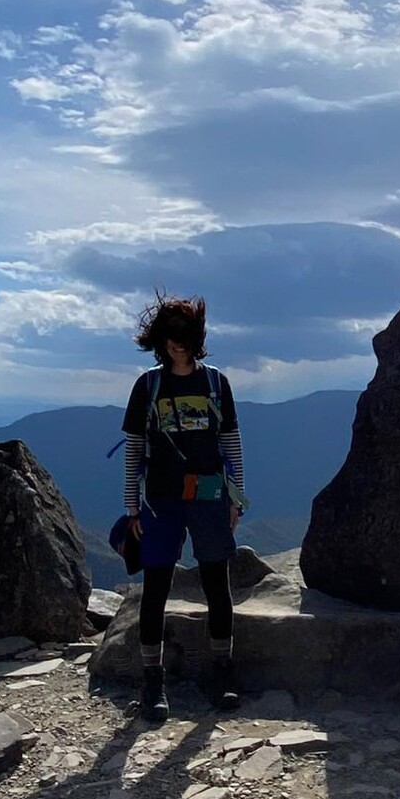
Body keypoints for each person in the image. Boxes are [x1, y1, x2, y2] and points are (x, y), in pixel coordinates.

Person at [120, 291, 245, 722]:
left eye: (186, 335)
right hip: (160, 497)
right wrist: (131, 507)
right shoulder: (148, 385)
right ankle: (152, 681)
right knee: (156, 588)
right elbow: (134, 448)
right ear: (160, 339)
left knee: (217, 584)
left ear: (197, 337)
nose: (179, 343)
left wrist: (237, 497)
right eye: (172, 336)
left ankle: (223, 672)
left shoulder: (215, 383)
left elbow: (230, 441)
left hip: (209, 493)